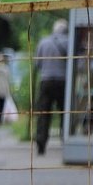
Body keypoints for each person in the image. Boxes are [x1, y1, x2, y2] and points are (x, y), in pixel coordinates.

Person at [33, 19, 69, 155]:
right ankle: (65, 140)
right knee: (64, 113)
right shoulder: (69, 41)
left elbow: (38, 64)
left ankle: (41, 144)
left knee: (43, 113)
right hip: (62, 81)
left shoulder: (44, 42)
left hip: (46, 81)